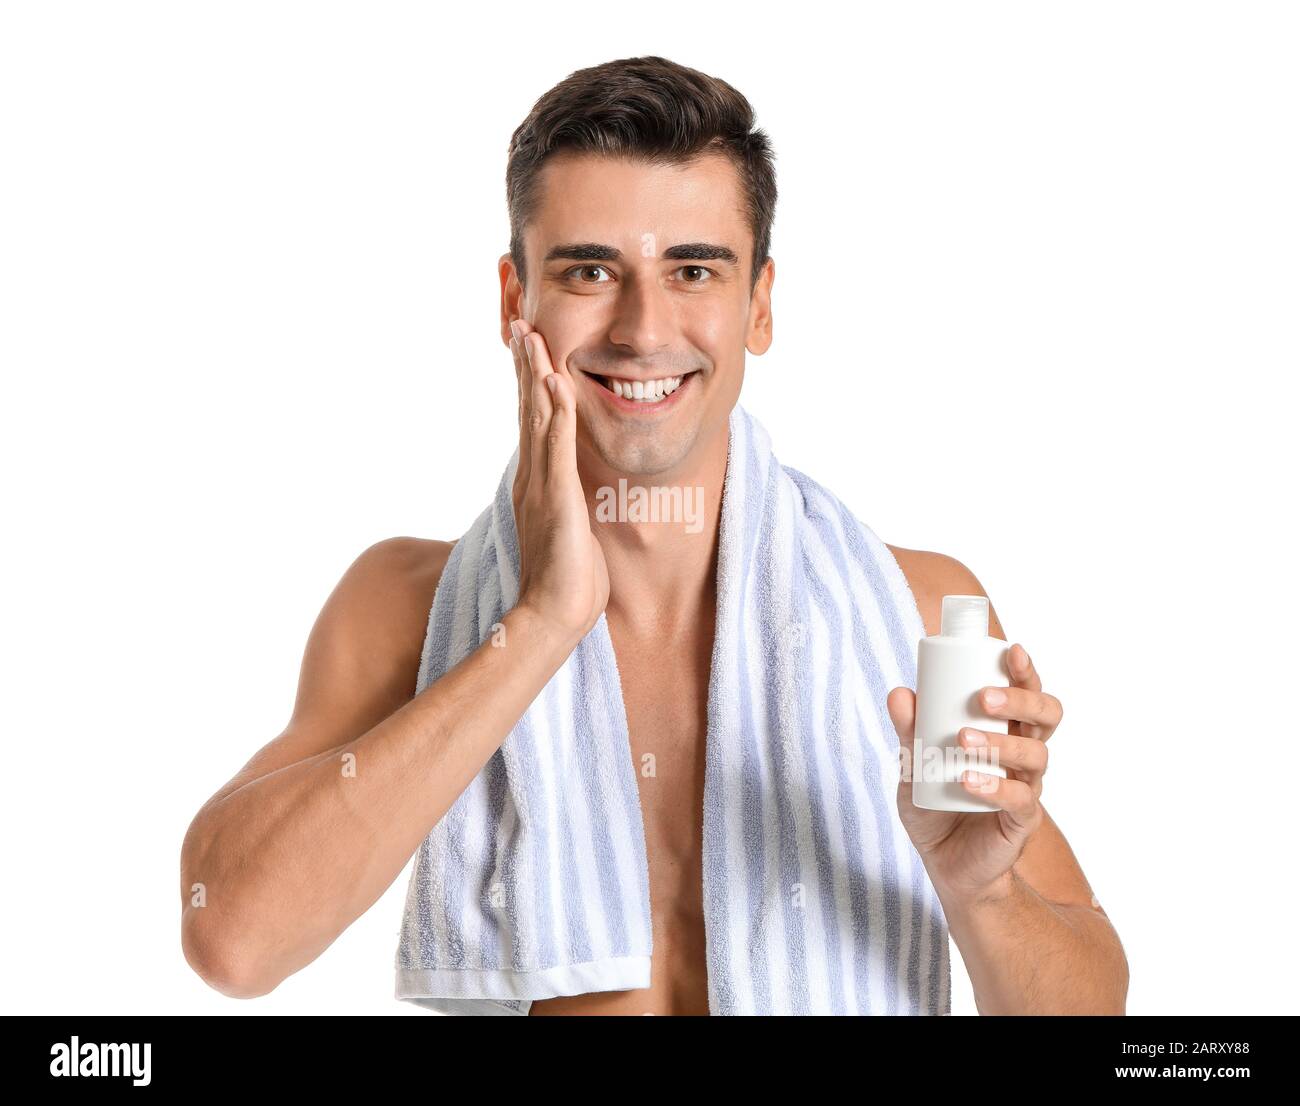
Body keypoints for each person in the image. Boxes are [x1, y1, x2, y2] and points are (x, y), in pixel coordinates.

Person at [180, 55, 1128, 1016]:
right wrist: (542, 623)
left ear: (759, 305)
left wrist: (981, 891)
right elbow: (232, 938)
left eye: (693, 270)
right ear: (517, 303)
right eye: (590, 270)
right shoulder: (409, 609)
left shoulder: (909, 611)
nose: (642, 328)